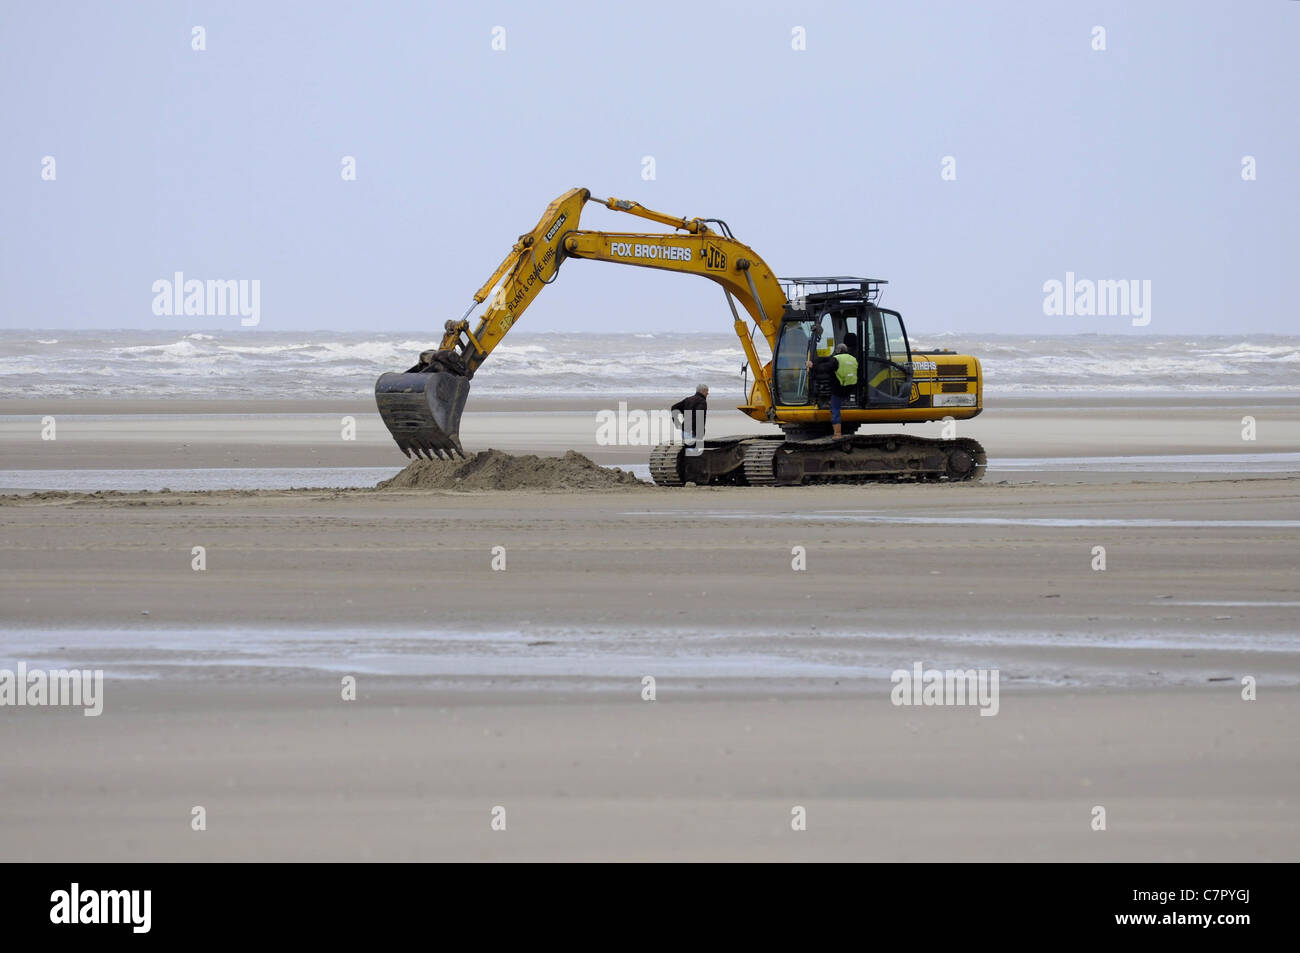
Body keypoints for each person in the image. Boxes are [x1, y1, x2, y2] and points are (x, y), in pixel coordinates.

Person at [807, 344, 858, 438]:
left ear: (837, 351)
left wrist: (812, 366)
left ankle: (837, 434)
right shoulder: (853, 359)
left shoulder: (836, 359)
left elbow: (825, 368)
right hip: (851, 387)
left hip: (839, 388)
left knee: (835, 409)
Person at [671, 384, 708, 454]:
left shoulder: (688, 400)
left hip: (685, 431)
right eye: (707, 392)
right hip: (694, 432)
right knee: (693, 455)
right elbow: (699, 416)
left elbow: (674, 408)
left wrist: (676, 422)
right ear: (703, 391)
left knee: (688, 453)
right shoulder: (702, 401)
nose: (707, 394)